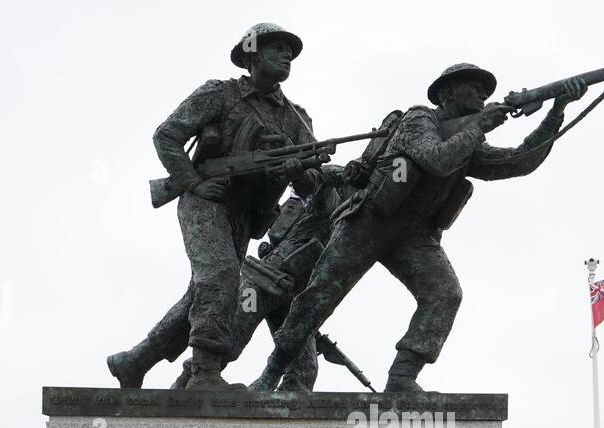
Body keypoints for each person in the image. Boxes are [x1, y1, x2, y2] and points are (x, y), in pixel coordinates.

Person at [249, 66, 586, 393]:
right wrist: (478, 127)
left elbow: (517, 162)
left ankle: (402, 377)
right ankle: (271, 373)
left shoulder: (468, 139)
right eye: (474, 85)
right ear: (447, 92)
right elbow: (434, 158)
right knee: (318, 297)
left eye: (485, 89)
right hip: (369, 220)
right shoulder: (419, 118)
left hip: (414, 235)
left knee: (444, 293)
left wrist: (556, 112)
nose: (483, 93)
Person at [134, 23, 321, 390]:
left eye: (289, 50)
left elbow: (313, 181)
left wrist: (297, 172)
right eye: (277, 48)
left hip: (244, 214)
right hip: (205, 201)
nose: (286, 55)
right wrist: (195, 182)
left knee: (212, 289)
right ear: (252, 55)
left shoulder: (295, 118)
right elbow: (167, 135)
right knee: (220, 276)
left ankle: (136, 360)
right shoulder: (220, 94)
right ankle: (204, 373)